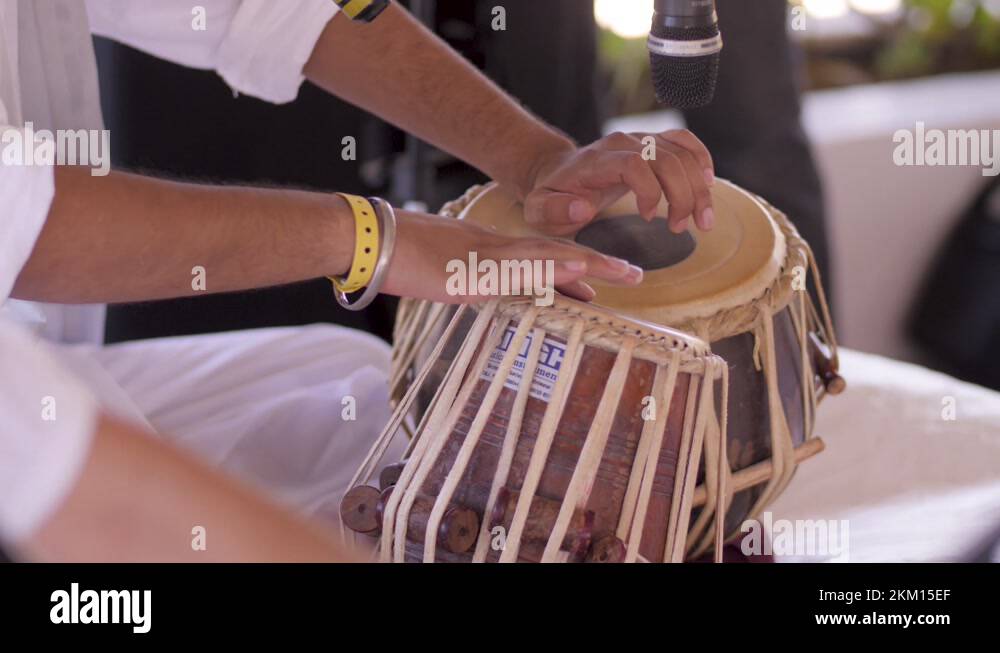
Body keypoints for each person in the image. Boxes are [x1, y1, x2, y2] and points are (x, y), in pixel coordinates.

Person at [0, 0, 715, 561]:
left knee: (350, 390)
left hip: (46, 362)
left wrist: (538, 158)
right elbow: (23, 222)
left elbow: (276, 6)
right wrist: (374, 239)